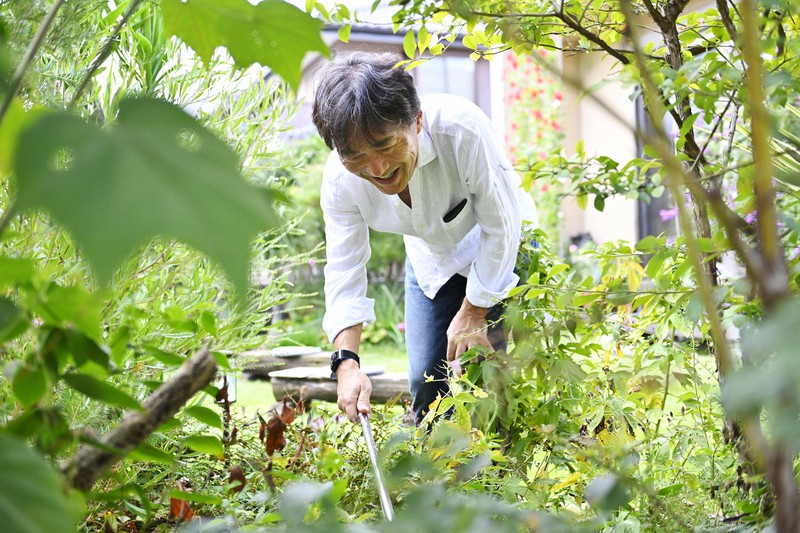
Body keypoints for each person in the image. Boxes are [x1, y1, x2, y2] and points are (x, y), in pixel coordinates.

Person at [311, 51, 537, 425]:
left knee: (491, 379)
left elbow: (502, 224)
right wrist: (346, 364)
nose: (377, 169)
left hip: (502, 246)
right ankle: (437, 479)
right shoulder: (339, 181)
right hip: (431, 257)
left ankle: (498, 479)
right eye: (356, 156)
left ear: (416, 121)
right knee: (427, 384)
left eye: (385, 146)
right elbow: (344, 273)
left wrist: (476, 309)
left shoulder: (461, 130)